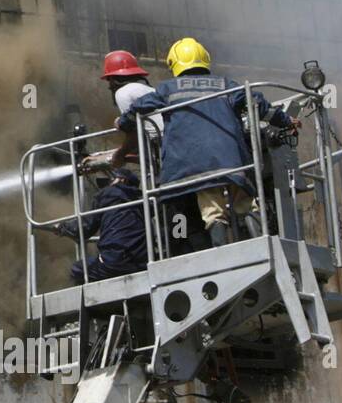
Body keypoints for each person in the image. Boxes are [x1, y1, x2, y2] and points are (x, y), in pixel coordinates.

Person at [116, 37, 295, 246]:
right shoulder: (225, 84)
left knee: (212, 212)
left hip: (194, 165)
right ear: (204, 60)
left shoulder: (167, 89)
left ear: (174, 63)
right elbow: (256, 102)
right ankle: (262, 245)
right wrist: (285, 120)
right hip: (232, 160)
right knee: (246, 204)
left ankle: (218, 252)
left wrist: (123, 121)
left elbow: (140, 106)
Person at [53, 167, 148, 283]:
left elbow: (85, 228)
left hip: (115, 261)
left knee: (77, 269)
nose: (109, 183)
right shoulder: (142, 201)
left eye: (112, 179)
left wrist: (62, 228)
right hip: (142, 263)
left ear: (122, 180)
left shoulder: (109, 194)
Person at [81, 50, 161, 173]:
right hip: (166, 145)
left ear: (113, 79)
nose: (109, 86)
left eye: (109, 80)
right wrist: (102, 158)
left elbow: (134, 135)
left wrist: (119, 155)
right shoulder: (149, 89)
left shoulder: (123, 93)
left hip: (158, 147)